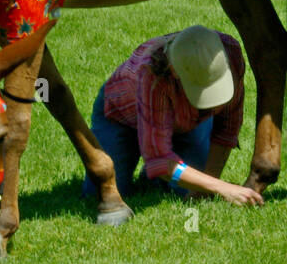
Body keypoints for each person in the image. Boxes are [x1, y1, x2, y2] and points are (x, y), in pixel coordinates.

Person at [83, 25, 265, 206]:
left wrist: (207, 186)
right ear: (175, 73)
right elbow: (160, 161)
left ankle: (155, 175)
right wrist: (223, 188)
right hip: (122, 118)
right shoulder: (153, 74)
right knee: (102, 192)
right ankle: (152, 160)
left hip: (186, 122)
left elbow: (226, 130)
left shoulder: (229, 52)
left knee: (191, 188)